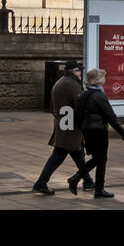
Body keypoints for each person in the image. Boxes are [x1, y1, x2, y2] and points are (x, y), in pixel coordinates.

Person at [33, 59, 91, 195]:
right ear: (74, 71)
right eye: (79, 70)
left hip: (64, 123)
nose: (81, 73)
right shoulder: (72, 85)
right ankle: (40, 183)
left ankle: (88, 180)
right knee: (59, 156)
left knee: (78, 154)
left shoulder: (60, 82)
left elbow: (52, 107)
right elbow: (80, 105)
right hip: (70, 126)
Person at [71, 67, 124, 198]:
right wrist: (121, 131)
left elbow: (77, 115)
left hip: (87, 130)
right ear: (98, 81)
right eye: (103, 77)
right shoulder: (99, 96)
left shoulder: (83, 94)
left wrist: (82, 129)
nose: (105, 79)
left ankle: (94, 187)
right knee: (101, 159)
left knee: (98, 159)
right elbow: (110, 116)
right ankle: (85, 182)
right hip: (99, 131)